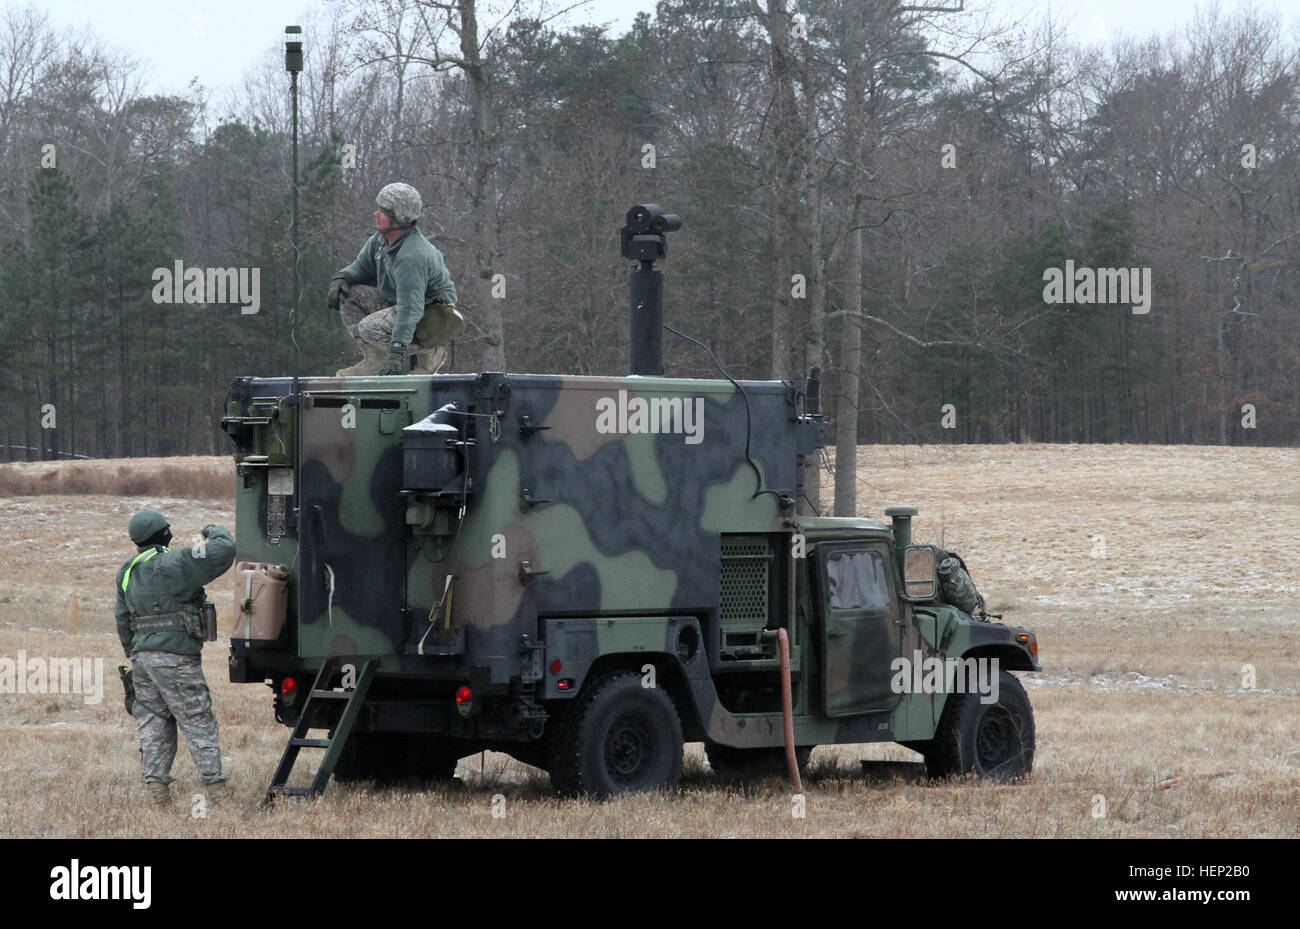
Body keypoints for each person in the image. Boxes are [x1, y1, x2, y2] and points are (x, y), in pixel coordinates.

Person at [115, 508, 236, 808]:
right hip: (176, 657)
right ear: (162, 534)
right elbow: (225, 549)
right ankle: (217, 794)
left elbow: (122, 619)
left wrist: (134, 654)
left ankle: (158, 795)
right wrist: (211, 528)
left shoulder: (127, 571)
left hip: (142, 660)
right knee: (197, 720)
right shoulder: (174, 563)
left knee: (154, 725)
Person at [330, 182, 462, 376]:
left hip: (433, 315)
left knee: (368, 326)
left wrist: (397, 354)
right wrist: (342, 277)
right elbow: (362, 267)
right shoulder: (381, 240)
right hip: (404, 305)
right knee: (349, 293)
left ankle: (431, 351)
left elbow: (410, 309)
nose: (376, 214)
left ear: (397, 218)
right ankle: (376, 359)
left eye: (383, 211)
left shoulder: (412, 256)